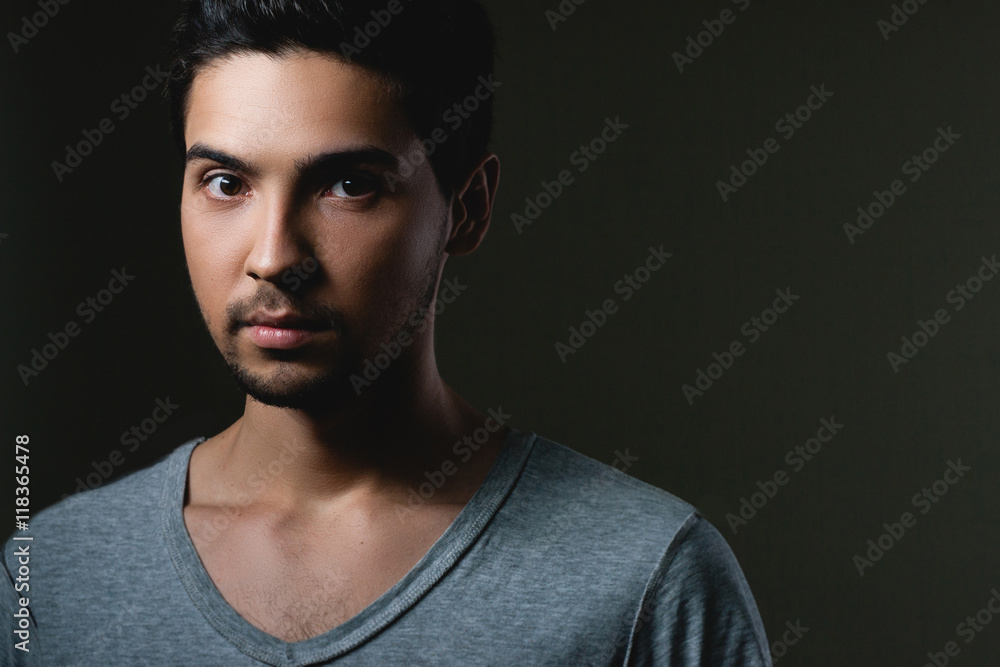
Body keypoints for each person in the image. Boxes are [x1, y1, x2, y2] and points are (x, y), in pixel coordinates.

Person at [2, 1, 773, 664]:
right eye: (226, 184)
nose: (273, 257)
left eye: (347, 185)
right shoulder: (51, 581)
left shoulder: (646, 585)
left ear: (465, 208)